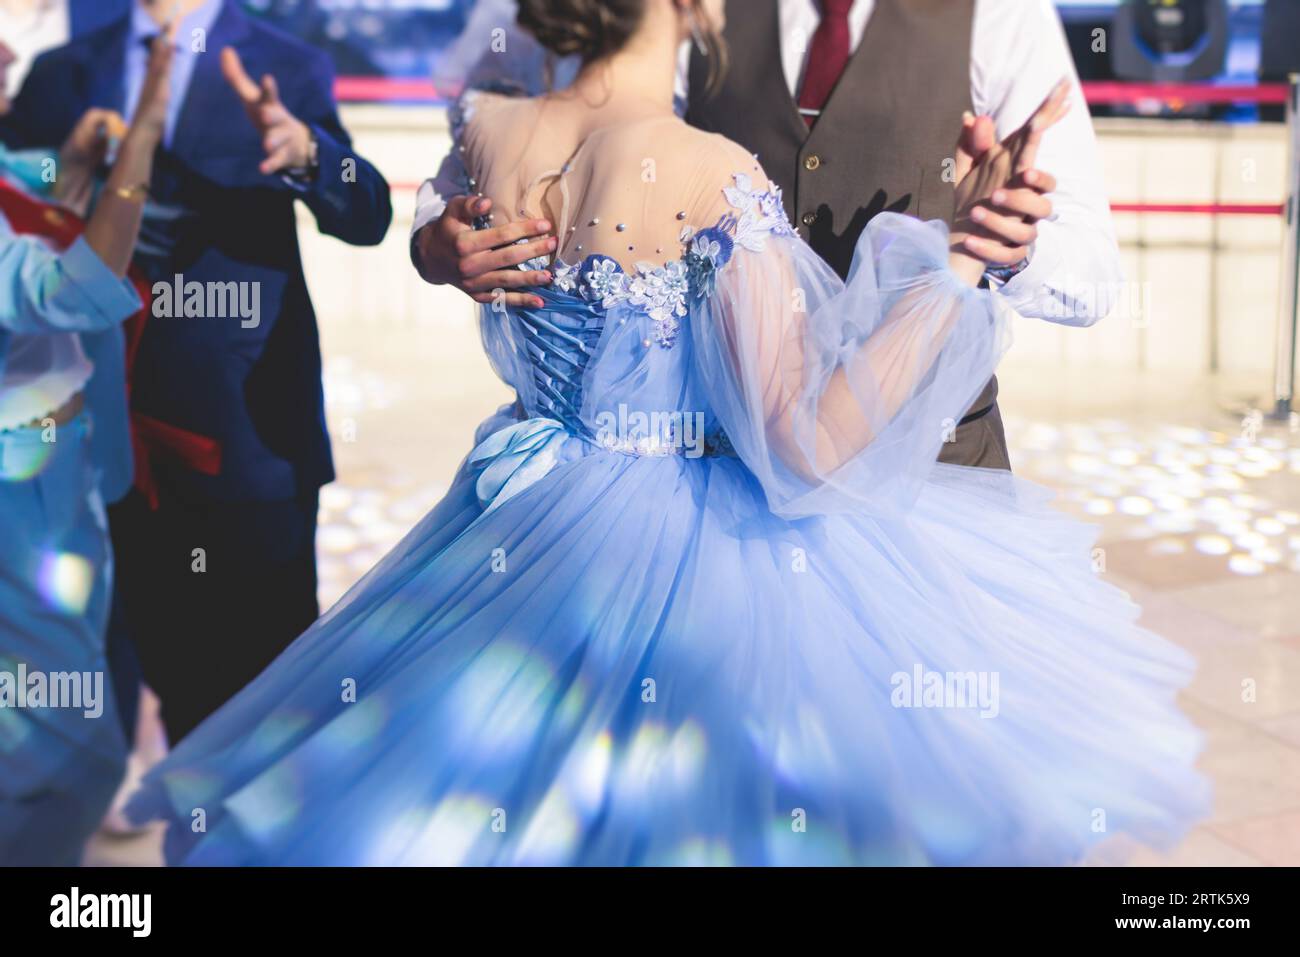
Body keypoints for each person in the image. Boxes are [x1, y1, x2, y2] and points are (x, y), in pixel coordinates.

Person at [128, 0, 1205, 866]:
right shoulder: (706, 173)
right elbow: (805, 446)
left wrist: (434, 247)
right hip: (709, 541)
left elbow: (444, 208)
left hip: (518, 513)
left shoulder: (488, 128)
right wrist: (956, 262)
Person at [413, 0, 1121, 471]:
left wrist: (1004, 244)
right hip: (731, 488)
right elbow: (575, 148)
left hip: (931, 472)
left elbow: (1093, 276)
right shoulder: (690, 22)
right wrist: (434, 243)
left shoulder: (998, 14)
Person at [0, 0, 394, 744]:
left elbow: (367, 212)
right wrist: (74, 165)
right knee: (122, 695)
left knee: (265, 707)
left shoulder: (289, 62)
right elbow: (22, 204)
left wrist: (309, 153)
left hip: (245, 440)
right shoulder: (62, 73)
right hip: (86, 451)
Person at [0, 29, 169, 866]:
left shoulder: (7, 162)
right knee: (72, 757)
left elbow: (39, 198)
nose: (4, 54)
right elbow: (80, 289)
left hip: (57, 478)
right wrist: (142, 135)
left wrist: (69, 161)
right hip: (18, 499)